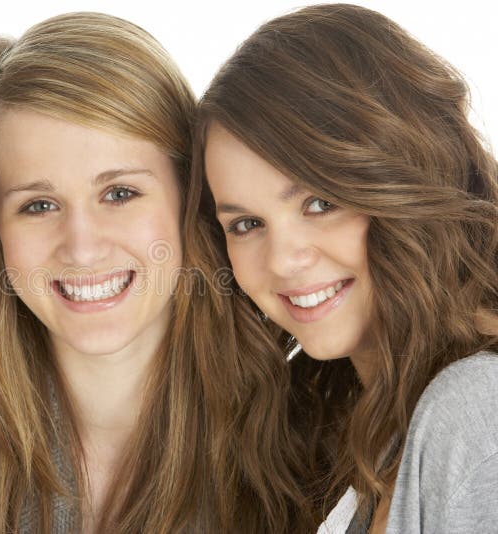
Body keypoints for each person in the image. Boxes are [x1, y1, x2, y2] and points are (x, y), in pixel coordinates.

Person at [0, 11, 297, 533]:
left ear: (190, 195)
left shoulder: (303, 433)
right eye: (39, 205)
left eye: (120, 193)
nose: (84, 248)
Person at [196, 4, 498, 533]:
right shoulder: (334, 417)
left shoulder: (476, 414)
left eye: (319, 203)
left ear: (406, 177)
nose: (284, 260)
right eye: (245, 224)